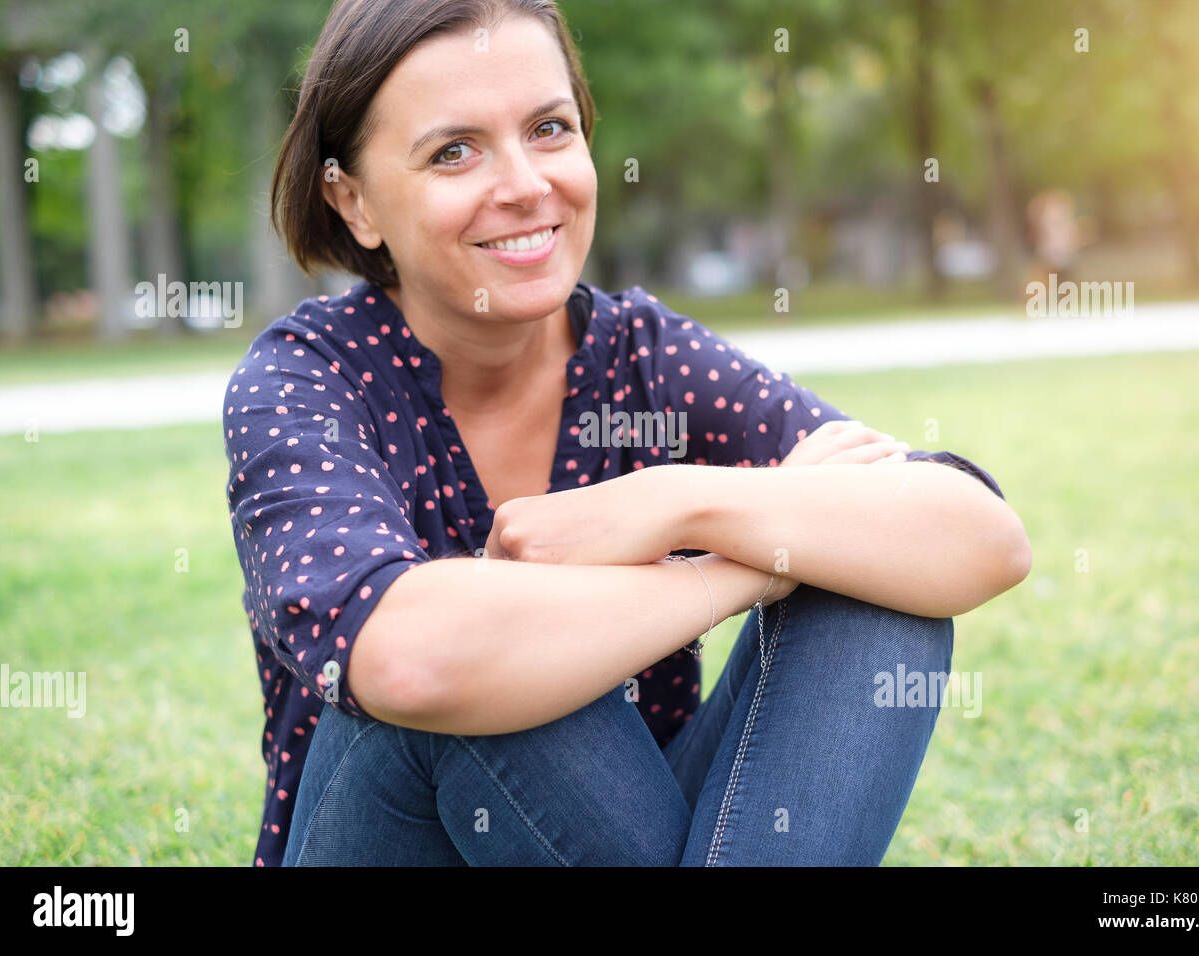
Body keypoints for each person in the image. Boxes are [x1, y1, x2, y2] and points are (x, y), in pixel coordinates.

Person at [223, 0, 1032, 867]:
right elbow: (410, 662)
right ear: (354, 203)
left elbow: (983, 539)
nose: (526, 185)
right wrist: (745, 571)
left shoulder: (646, 359)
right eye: (453, 151)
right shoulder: (304, 382)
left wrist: (676, 500)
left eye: (548, 128)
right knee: (490, 655)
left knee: (878, 598)